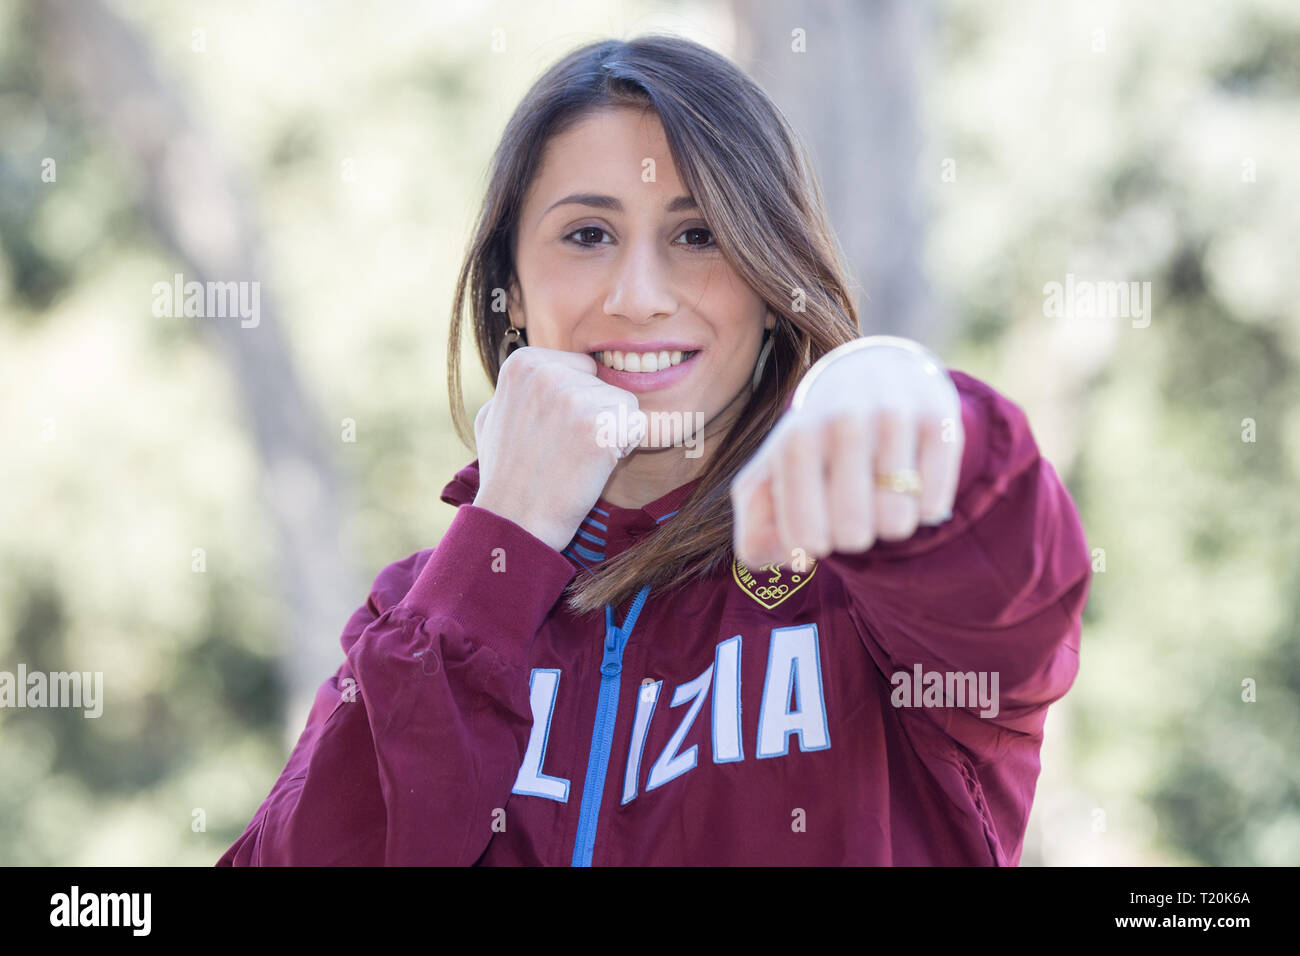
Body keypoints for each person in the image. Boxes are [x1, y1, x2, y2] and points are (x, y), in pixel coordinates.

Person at [217, 34, 1091, 866]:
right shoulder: (419, 610)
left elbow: (1005, 562)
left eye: (698, 234)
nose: (639, 297)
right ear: (510, 287)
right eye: (588, 235)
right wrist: (503, 540)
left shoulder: (867, 577)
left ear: (771, 281)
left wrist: (913, 424)